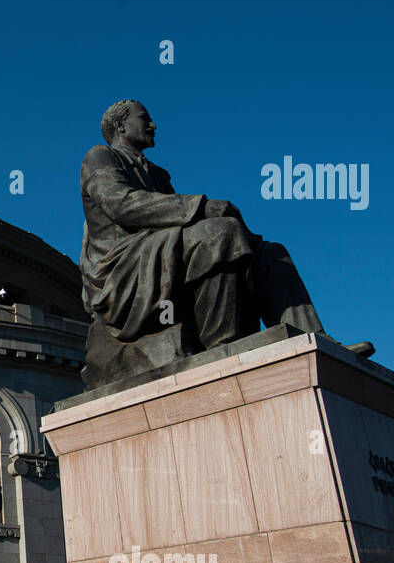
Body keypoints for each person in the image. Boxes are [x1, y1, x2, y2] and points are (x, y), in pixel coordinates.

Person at [78, 100, 373, 385]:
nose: (153, 125)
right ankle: (223, 345)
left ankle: (313, 340)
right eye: (144, 118)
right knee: (219, 234)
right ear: (120, 125)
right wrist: (202, 207)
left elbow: (177, 220)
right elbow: (122, 205)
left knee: (271, 254)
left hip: (159, 248)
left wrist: (246, 240)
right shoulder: (100, 157)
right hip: (123, 264)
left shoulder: (157, 174)